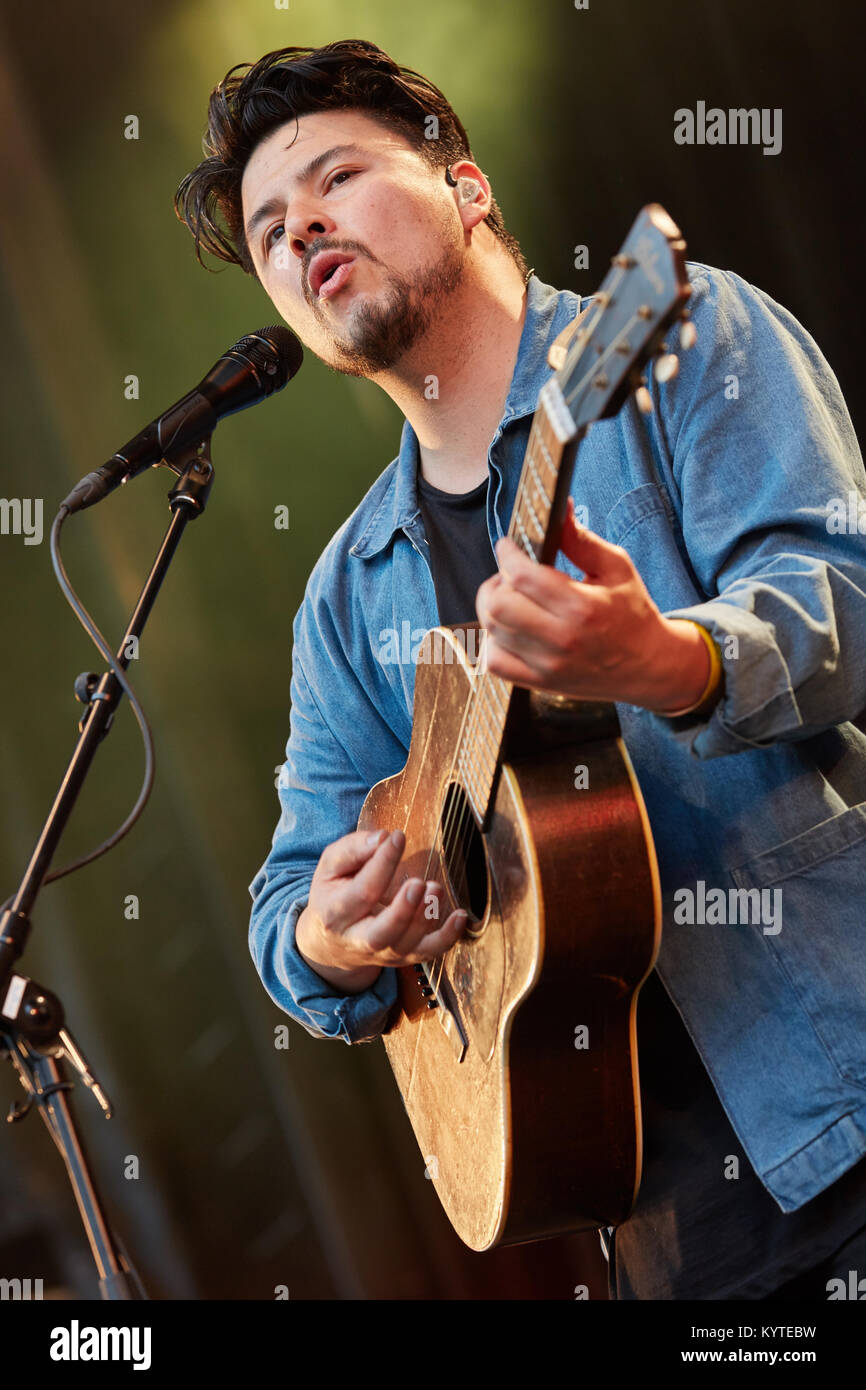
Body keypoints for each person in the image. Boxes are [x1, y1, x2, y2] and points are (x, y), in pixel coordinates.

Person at [175, 40, 866, 1300]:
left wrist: (670, 660)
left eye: (337, 176)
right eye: (271, 228)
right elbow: (288, 907)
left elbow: (847, 603)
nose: (302, 229)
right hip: (652, 1221)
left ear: (468, 187)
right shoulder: (344, 597)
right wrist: (339, 933)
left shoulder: (677, 335)